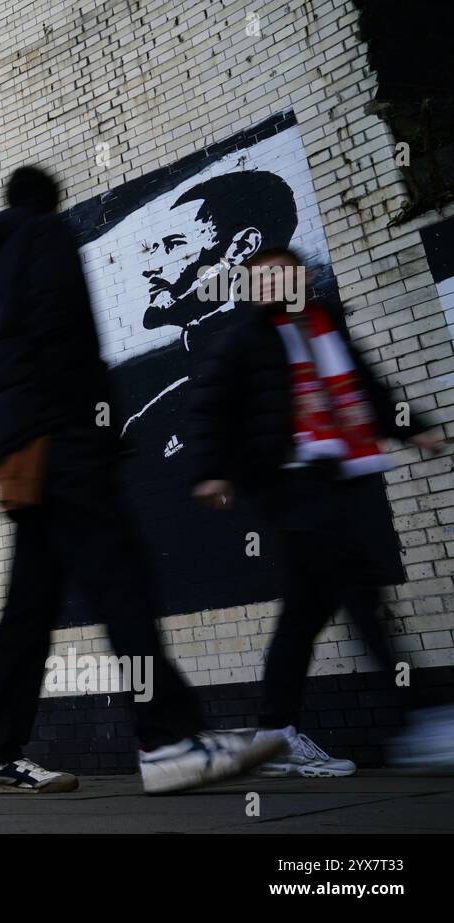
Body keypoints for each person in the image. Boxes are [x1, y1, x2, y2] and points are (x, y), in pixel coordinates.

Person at [0, 166, 286, 795]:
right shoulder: (47, 235)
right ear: (47, 200)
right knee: (120, 581)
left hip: (19, 448)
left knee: (29, 610)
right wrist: (96, 425)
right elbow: (69, 337)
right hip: (66, 437)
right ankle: (166, 740)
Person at [190, 245, 453, 775]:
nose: (270, 289)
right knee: (359, 594)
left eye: (279, 278)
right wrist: (212, 470)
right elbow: (211, 406)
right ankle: (421, 716)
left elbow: (367, 392)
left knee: (306, 613)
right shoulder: (243, 340)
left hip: (344, 478)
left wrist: (412, 428)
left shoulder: (325, 327)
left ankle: (275, 734)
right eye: (259, 283)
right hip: (291, 485)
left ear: (300, 279)